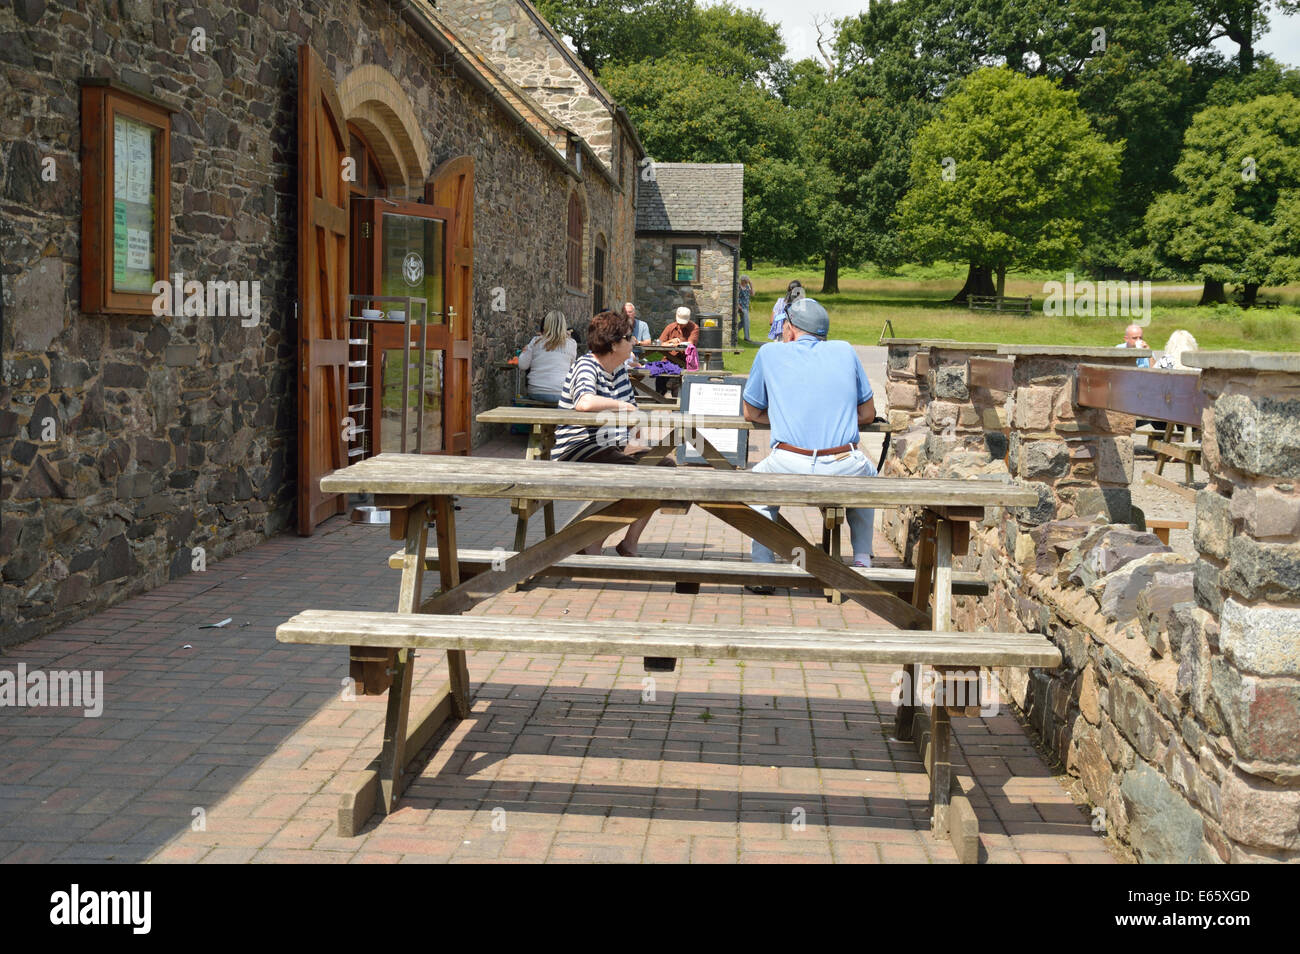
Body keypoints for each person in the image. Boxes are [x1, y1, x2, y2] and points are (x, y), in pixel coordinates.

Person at [741, 297, 878, 594]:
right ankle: (862, 558)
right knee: (867, 475)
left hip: (790, 462)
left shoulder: (769, 353)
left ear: (790, 330)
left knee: (756, 490)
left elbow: (750, 413)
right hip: (844, 462)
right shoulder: (845, 350)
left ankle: (762, 572)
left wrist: (785, 415)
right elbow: (868, 414)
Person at [553, 309, 674, 557]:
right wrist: (622, 406)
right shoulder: (586, 366)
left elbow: (634, 418)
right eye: (629, 338)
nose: (633, 342)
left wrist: (637, 444)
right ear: (614, 343)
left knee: (663, 468)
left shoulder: (618, 369)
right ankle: (590, 542)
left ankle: (627, 542)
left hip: (610, 447)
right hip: (577, 449)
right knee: (639, 474)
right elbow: (584, 402)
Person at [517, 310, 577, 403]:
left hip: (536, 391)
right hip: (562, 392)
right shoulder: (571, 344)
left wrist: (524, 352)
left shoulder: (535, 341)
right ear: (564, 326)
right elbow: (573, 368)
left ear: (546, 324)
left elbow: (522, 365)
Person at [655, 306, 698, 396]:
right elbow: (659, 343)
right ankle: (659, 399)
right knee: (659, 374)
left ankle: (675, 400)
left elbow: (690, 344)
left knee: (675, 375)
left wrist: (676, 343)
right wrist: (671, 341)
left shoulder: (694, 328)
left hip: (686, 361)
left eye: (683, 322)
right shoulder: (670, 327)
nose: (681, 325)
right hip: (668, 360)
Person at [737, 275, 754, 343]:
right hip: (741, 307)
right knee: (746, 322)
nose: (748, 282)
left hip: (746, 307)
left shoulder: (747, 287)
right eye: (747, 281)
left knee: (743, 322)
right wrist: (738, 306)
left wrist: (751, 285)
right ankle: (747, 337)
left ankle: (734, 331)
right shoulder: (739, 287)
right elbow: (736, 297)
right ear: (743, 280)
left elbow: (752, 294)